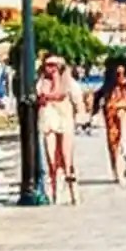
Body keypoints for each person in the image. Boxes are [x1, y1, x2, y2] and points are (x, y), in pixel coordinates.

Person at [36, 54, 85, 204]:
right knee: (51, 159)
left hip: (65, 122)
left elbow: (78, 102)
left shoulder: (69, 84)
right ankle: (55, 192)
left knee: (66, 158)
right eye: (47, 65)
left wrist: (81, 119)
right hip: (48, 122)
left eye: (53, 65)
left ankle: (73, 192)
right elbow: (38, 98)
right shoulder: (41, 83)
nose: (49, 68)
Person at [92, 56, 126, 183]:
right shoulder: (109, 86)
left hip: (124, 110)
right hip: (111, 111)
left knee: (124, 140)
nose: (121, 77)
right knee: (113, 142)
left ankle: (121, 167)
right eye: (118, 74)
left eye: (123, 73)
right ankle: (118, 169)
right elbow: (100, 96)